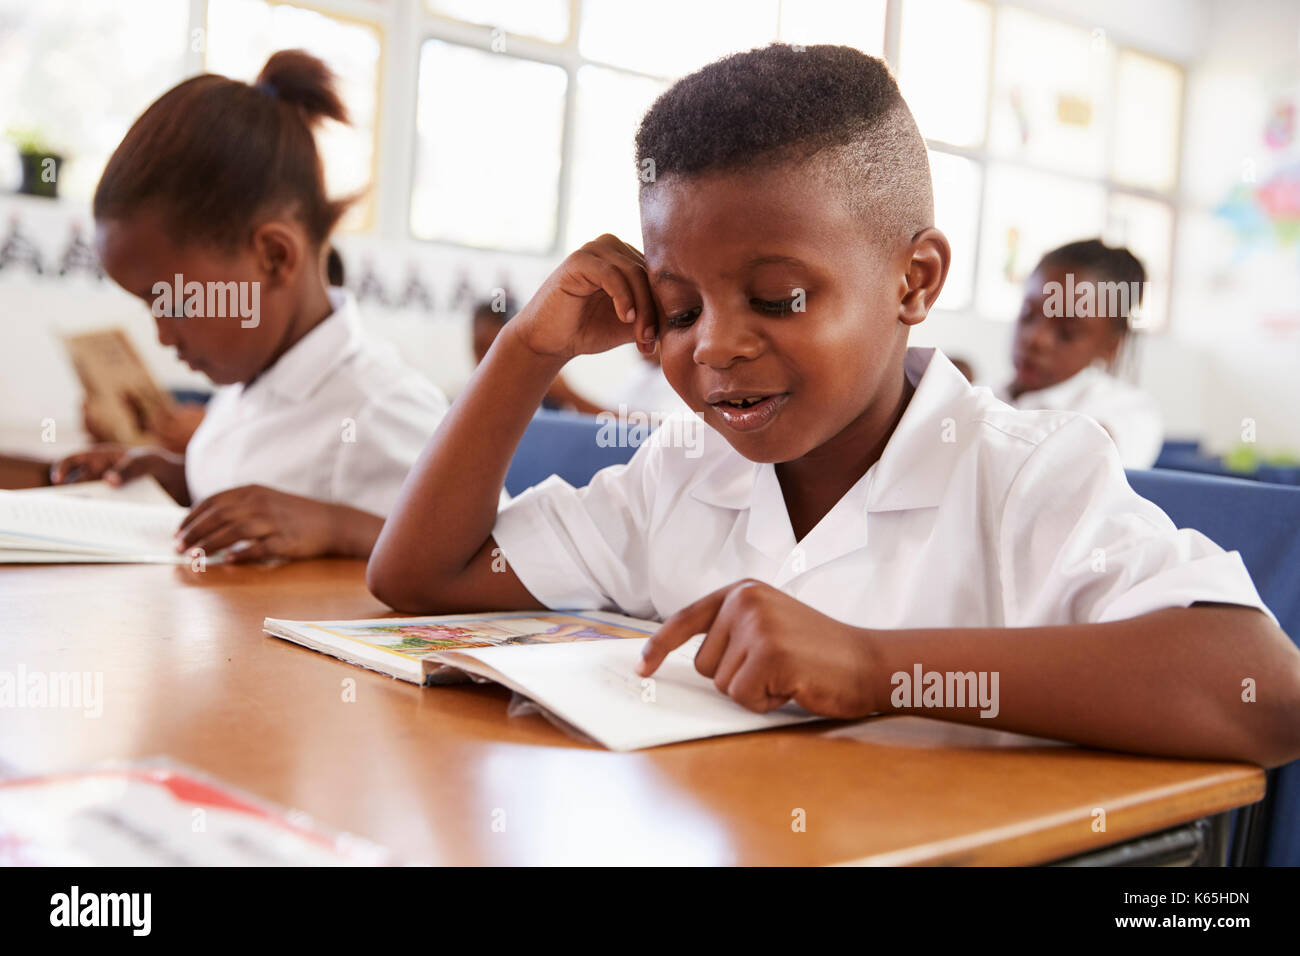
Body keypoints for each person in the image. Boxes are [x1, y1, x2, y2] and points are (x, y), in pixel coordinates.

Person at [368, 44, 1300, 766]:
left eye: (778, 299)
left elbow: (1263, 691)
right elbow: (420, 579)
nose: (717, 345)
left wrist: (873, 666)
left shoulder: (1024, 473)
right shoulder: (683, 472)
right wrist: (528, 350)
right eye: (682, 307)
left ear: (914, 278)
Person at [51, 51, 449, 562]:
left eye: (173, 303)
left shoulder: (382, 407)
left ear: (274, 257)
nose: (163, 337)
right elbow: (257, 489)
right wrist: (171, 476)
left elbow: (480, 557)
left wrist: (336, 527)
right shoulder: (249, 381)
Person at [999, 239, 1162, 468]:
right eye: (1028, 316)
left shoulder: (1127, 412)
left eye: (1067, 333)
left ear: (1111, 346)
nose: (1037, 340)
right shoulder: (987, 394)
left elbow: (1081, 460)